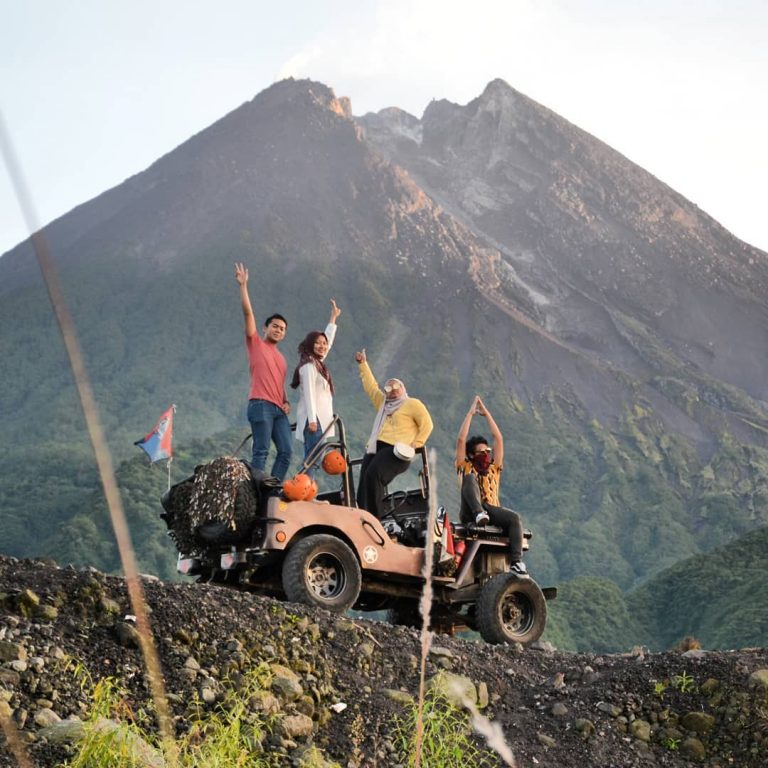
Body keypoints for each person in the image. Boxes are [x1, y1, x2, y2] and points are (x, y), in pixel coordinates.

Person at [355, 348, 433, 519]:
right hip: (376, 447)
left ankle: (375, 519)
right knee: (364, 482)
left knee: (373, 474)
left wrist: (417, 443)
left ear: (403, 388)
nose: (393, 389)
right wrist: (363, 364)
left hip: (397, 450)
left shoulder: (412, 403)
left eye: (397, 385)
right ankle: (361, 516)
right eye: (389, 387)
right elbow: (371, 387)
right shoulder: (383, 404)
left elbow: (427, 424)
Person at [455, 395, 527, 576]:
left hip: (491, 511)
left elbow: (498, 439)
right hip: (471, 512)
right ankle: (479, 512)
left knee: (514, 518)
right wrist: (471, 414)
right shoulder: (466, 466)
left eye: (488, 451)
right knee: (469, 479)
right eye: (482, 452)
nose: (486, 454)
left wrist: (486, 413)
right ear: (472, 455)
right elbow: (461, 440)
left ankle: (517, 562)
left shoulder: (494, 468)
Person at [235, 262, 292, 480]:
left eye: (282, 329)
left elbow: (279, 384)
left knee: (286, 452)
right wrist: (243, 286)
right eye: (275, 326)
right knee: (261, 450)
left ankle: (272, 488)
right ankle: (255, 490)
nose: (278, 330)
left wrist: (286, 401)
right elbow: (248, 314)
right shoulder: (256, 343)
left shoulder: (282, 359)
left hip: (278, 410)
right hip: (260, 405)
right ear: (265, 328)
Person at [290, 299, 342, 477]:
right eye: (318, 343)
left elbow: (329, 342)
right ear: (310, 344)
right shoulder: (308, 366)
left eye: (323, 343)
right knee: (312, 460)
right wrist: (312, 420)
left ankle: (307, 488)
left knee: (315, 459)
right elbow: (309, 394)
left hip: (320, 419)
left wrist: (333, 319)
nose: (322, 346)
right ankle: (303, 489)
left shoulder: (316, 363)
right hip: (314, 420)